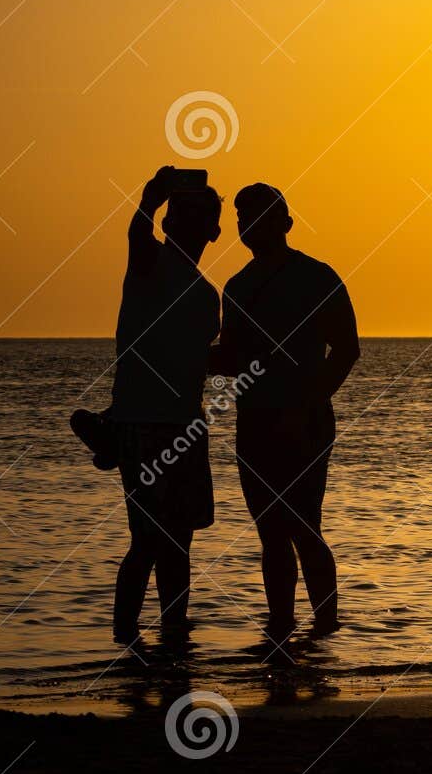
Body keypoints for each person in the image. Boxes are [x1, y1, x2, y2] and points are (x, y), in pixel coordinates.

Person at [212, 183, 359, 645]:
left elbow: (347, 349)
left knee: (303, 525)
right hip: (253, 422)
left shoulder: (317, 277)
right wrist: (175, 355)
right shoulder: (236, 287)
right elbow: (233, 357)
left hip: (305, 424)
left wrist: (308, 404)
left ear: (285, 223)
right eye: (242, 217)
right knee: (270, 534)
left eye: (258, 215)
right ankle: (279, 631)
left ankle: (325, 631)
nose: (248, 224)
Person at [105, 166, 222, 645]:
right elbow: (137, 232)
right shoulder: (150, 263)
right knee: (153, 542)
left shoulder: (203, 292)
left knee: (174, 542)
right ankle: (131, 636)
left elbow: (201, 360)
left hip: (179, 425)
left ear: (212, 233)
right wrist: (148, 199)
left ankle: (169, 632)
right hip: (150, 424)